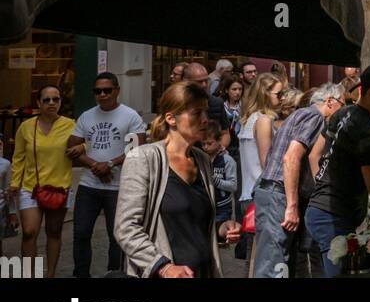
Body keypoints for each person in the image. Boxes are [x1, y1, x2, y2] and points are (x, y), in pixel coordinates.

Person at [114, 82, 241, 277]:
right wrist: (163, 267)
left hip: (203, 271)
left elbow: (192, 223)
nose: (205, 120)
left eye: (205, 113)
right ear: (171, 119)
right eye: (196, 113)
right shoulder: (144, 159)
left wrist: (220, 229)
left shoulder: (203, 160)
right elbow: (126, 228)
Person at [304, 64, 370, 278]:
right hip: (333, 218)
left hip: (317, 210)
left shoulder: (343, 113)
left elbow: (314, 155)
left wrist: (322, 185)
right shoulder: (368, 132)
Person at [253, 83, 345, 279]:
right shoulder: (314, 116)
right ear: (329, 102)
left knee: (282, 264)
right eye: (342, 105)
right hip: (277, 194)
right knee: (274, 265)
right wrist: (292, 205)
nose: (343, 111)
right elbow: (291, 157)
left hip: (275, 193)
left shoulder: (302, 114)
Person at [68, 71, 147, 278]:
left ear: (117, 90)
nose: (102, 94)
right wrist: (97, 165)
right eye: (97, 91)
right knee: (81, 233)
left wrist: (110, 164)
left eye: (107, 90)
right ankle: (81, 274)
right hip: (89, 184)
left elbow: (137, 148)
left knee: (118, 236)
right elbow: (72, 147)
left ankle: (114, 274)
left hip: (119, 186)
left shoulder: (130, 116)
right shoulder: (87, 116)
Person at [8, 84, 79, 278]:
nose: (51, 103)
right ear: (38, 102)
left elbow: (87, 143)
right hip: (30, 187)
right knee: (30, 232)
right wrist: (15, 183)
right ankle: (30, 274)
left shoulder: (71, 125)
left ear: (60, 102)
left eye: (55, 99)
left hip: (59, 188)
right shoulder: (26, 126)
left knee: (54, 232)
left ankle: (50, 275)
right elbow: (19, 157)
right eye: (46, 99)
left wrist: (82, 148)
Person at [236, 72, 282, 260]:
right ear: (265, 94)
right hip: (260, 195)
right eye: (278, 94)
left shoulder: (250, 119)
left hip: (249, 193)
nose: (281, 98)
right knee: (261, 257)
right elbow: (267, 164)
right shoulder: (263, 120)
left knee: (254, 255)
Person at [182, 62, 230, 148]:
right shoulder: (179, 104)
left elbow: (225, 133)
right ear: (186, 81)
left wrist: (219, 149)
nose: (204, 85)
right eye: (199, 82)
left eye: (206, 80)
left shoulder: (216, 103)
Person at [202, 121, 238, 226]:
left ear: (219, 141)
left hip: (223, 208)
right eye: (203, 144)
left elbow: (233, 185)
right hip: (206, 206)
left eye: (209, 143)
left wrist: (216, 181)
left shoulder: (227, 160)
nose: (206, 147)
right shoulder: (202, 158)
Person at [217, 71, 243, 165]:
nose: (237, 92)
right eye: (234, 89)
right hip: (224, 146)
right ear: (227, 90)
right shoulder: (220, 105)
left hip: (239, 148)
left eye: (240, 89)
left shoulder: (245, 106)